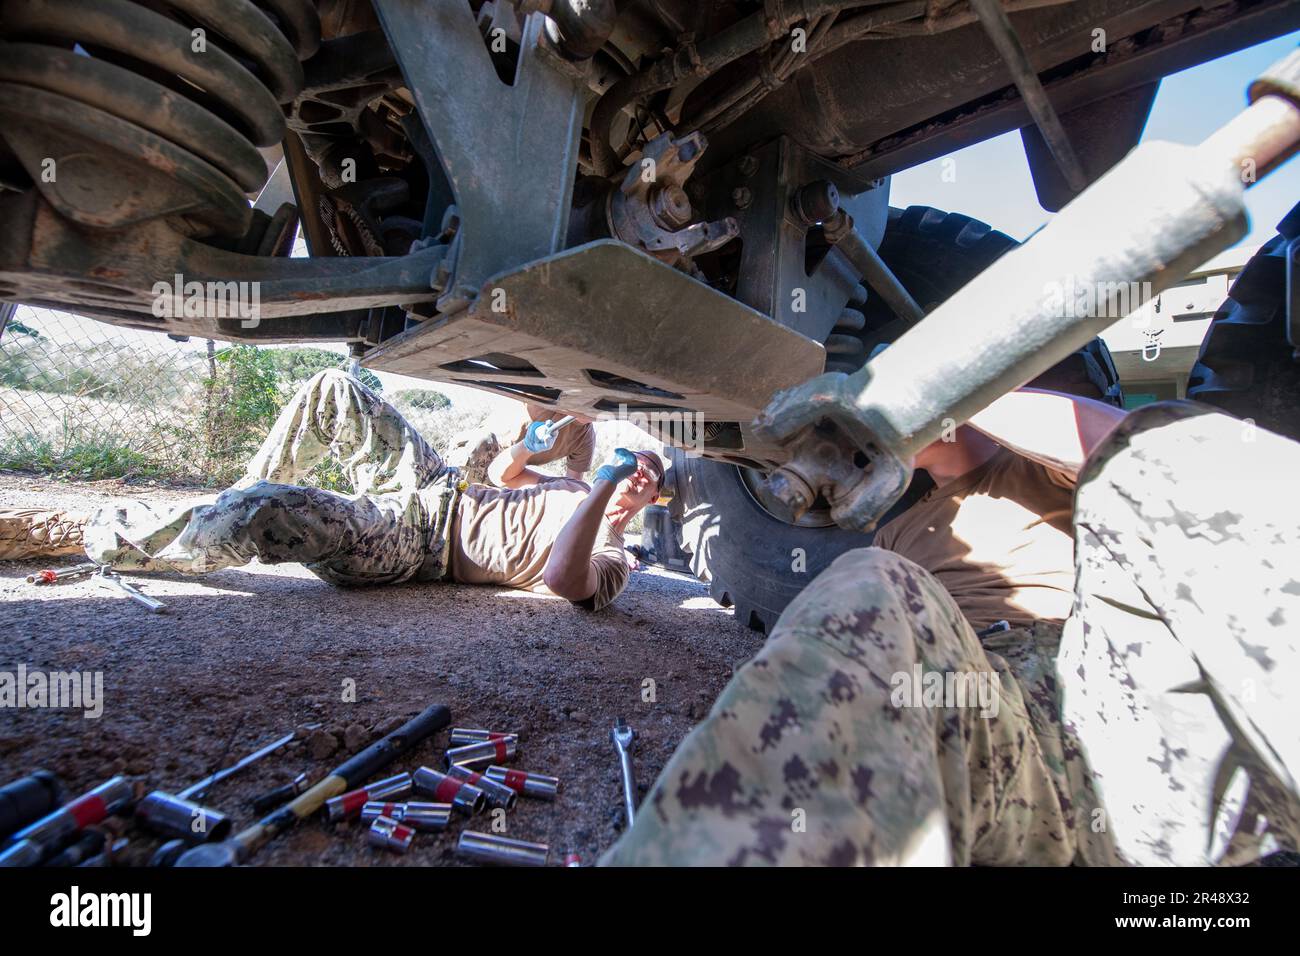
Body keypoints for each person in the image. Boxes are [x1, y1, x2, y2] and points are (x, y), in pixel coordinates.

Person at [602, 391, 1300, 866]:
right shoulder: (890, 540)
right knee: (869, 585)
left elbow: (1132, 445)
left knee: (1158, 450)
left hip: (1129, 698)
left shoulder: (1033, 466)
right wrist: (651, 480)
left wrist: (946, 393)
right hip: (1007, 741)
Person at [6, 370, 663, 612]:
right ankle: (218, 514)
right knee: (332, 390)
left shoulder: (612, 553)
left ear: (647, 498)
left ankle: (100, 535)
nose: (642, 470)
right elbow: (499, 476)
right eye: (640, 461)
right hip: (437, 487)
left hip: (421, 546)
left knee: (270, 510)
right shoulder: (574, 480)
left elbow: (561, 579)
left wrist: (607, 487)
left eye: (652, 475)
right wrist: (543, 436)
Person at [446, 402, 596, 486]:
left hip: (513, 472)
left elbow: (573, 484)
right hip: (482, 454)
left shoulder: (585, 438)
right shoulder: (547, 400)